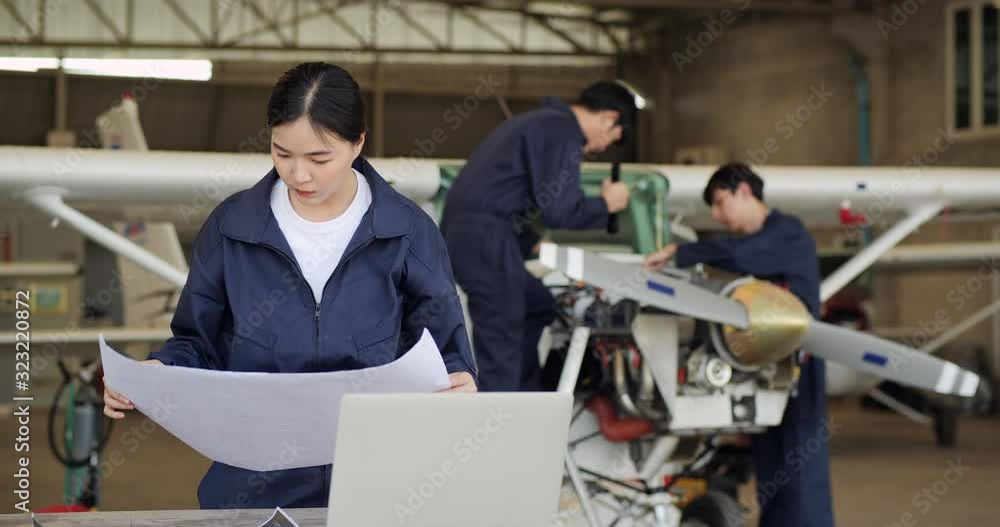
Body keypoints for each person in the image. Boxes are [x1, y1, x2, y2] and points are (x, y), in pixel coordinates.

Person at [103, 62, 477, 509]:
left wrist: (460, 379)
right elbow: (195, 342)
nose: (299, 175)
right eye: (282, 154)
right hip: (252, 478)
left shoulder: (409, 231)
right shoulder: (232, 227)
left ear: (358, 143)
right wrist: (155, 376)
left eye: (320, 159)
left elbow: (446, 346)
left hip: (376, 476)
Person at [644, 163, 834, 527]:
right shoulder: (764, 242)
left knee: (800, 471)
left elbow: (743, 254)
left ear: (744, 191)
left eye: (719, 203)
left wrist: (682, 253)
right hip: (763, 367)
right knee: (772, 470)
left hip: (797, 367)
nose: (717, 215)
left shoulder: (787, 233)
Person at [440, 81, 639, 392]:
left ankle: (530, 397)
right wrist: (606, 204)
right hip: (485, 239)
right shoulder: (563, 130)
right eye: (612, 139)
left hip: (474, 234)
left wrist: (526, 239)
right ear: (610, 118)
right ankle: (498, 421)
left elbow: (499, 192)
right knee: (502, 333)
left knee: (537, 304)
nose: (601, 148)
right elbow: (560, 211)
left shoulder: (539, 122)